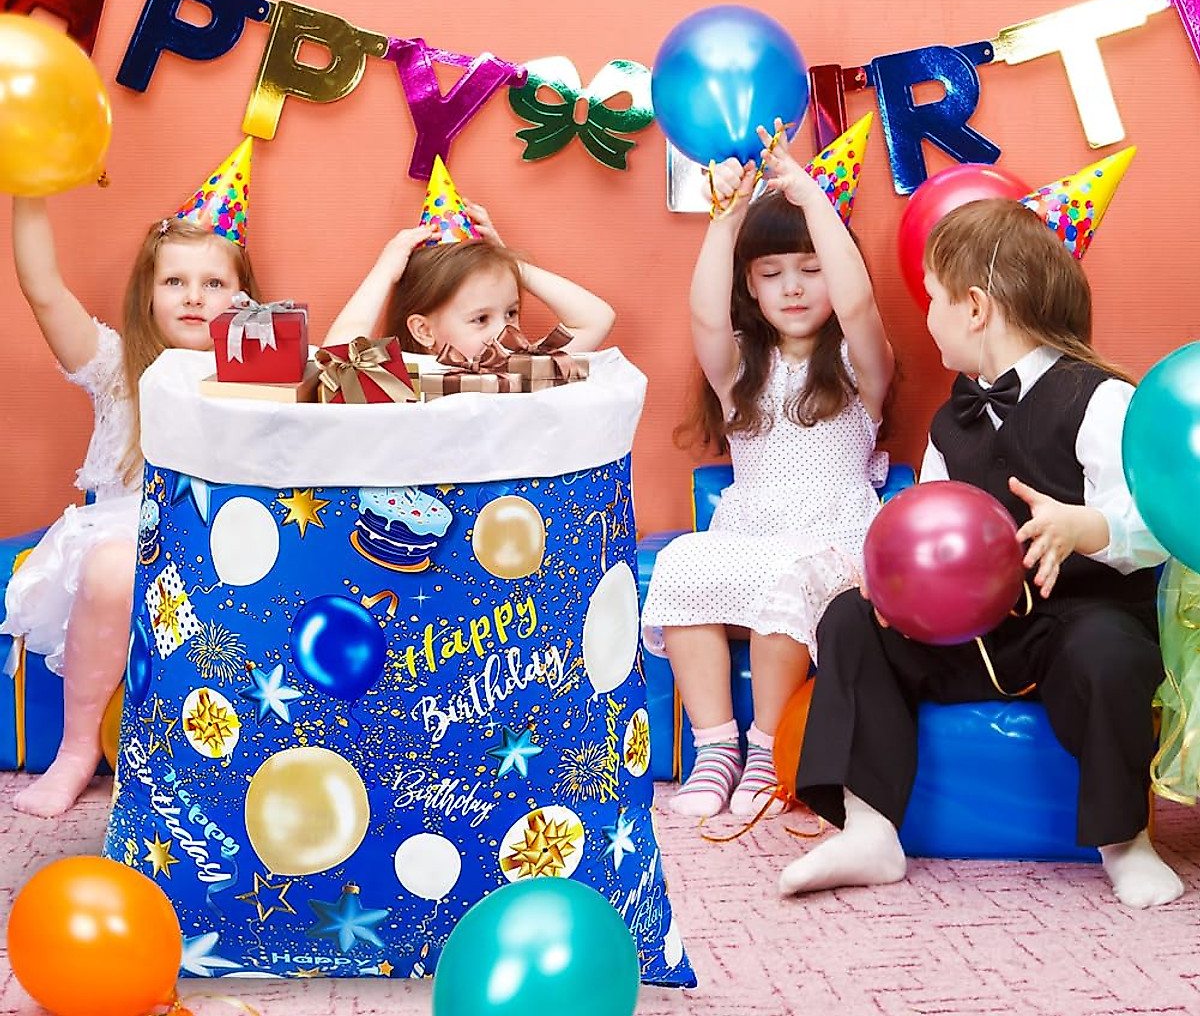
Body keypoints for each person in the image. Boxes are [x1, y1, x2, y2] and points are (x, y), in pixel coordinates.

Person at [781, 197, 1182, 909]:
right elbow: (925, 521)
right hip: (972, 635)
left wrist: (1086, 528)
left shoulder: (1100, 400)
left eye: (932, 299)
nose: (927, 315)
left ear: (974, 308)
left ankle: (1125, 841)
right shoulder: (952, 421)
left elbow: (1155, 523)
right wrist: (894, 581)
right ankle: (870, 827)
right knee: (849, 618)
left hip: (1074, 622)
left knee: (1110, 654)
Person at [642, 120, 895, 819]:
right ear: (749, 287)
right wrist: (725, 220)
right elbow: (703, 317)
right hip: (750, 528)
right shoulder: (740, 373)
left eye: (811, 270)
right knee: (681, 563)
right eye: (772, 273)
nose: (793, 288)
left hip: (833, 540)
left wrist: (810, 197)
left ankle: (766, 748)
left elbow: (859, 303)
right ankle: (716, 747)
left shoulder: (859, 367)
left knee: (788, 579)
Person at [1, 166, 259, 818]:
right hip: (128, 540)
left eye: (214, 283)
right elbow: (42, 290)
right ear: (147, 295)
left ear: (244, 300)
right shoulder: (119, 368)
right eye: (174, 281)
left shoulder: (258, 379)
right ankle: (76, 749)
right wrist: (27, 179)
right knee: (117, 566)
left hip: (216, 547)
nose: (194, 297)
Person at [325, 199, 614, 358]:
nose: (504, 331)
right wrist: (384, 272)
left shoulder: (519, 371)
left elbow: (597, 318)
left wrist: (510, 263)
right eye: (480, 319)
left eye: (511, 313)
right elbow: (338, 360)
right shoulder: (405, 383)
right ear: (424, 331)